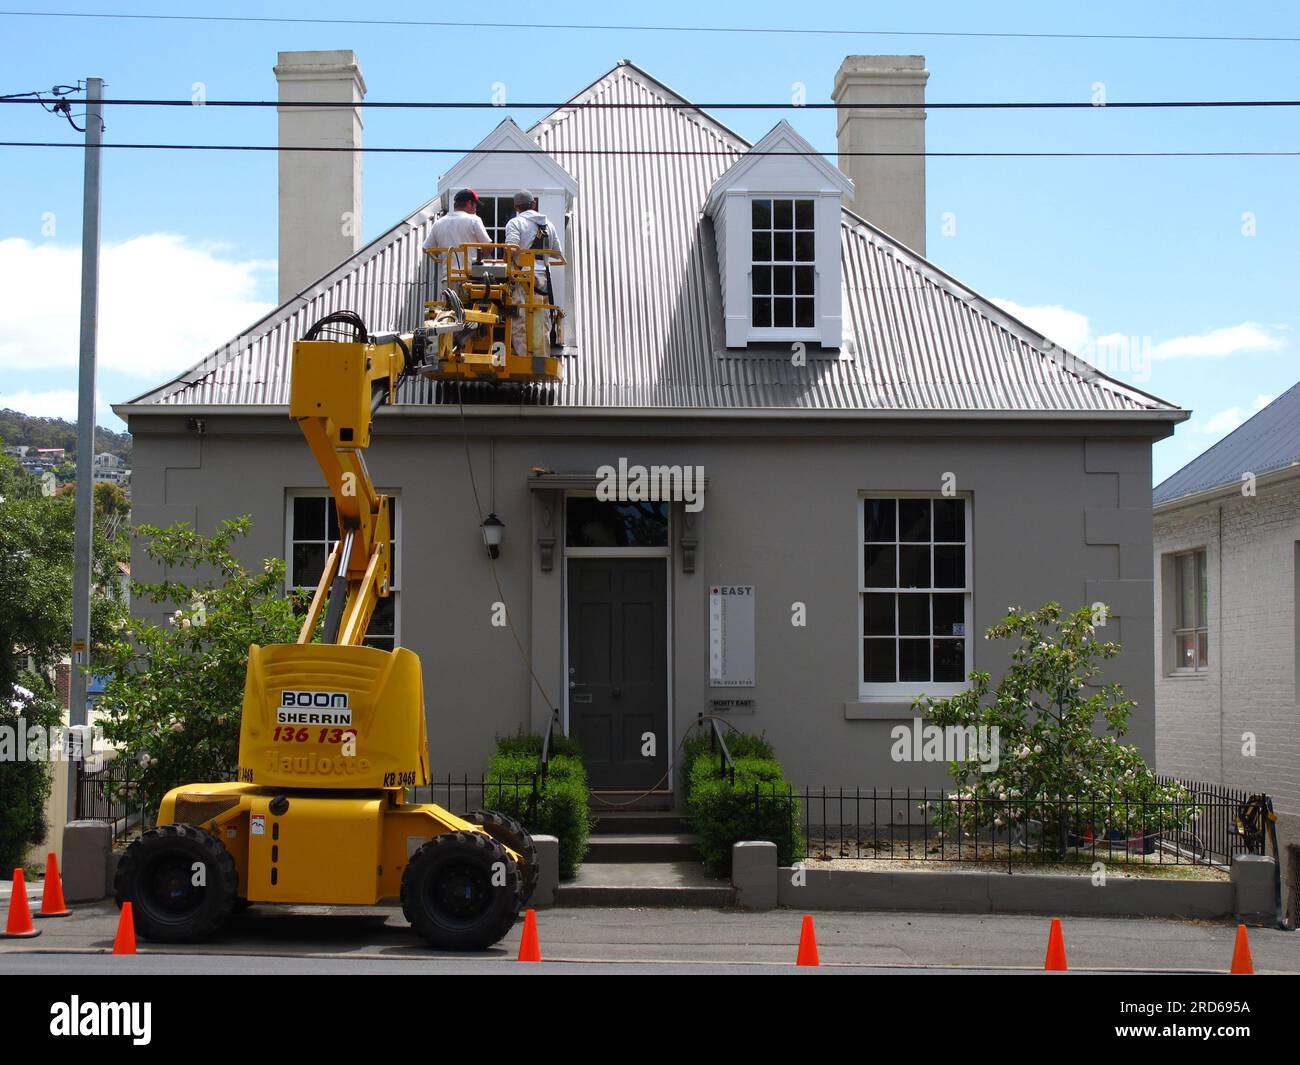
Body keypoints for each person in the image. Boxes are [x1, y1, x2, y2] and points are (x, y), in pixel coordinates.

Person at [503, 190, 559, 356]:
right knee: (542, 317)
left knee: (520, 317)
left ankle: (523, 356)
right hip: (543, 278)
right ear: (533, 203)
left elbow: (511, 248)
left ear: (516, 207)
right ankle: (541, 354)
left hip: (523, 276)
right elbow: (557, 252)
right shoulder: (549, 224)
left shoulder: (515, 223)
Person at [422, 188, 491, 279]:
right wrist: (483, 257)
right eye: (475, 206)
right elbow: (488, 247)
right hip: (470, 278)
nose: (475, 209)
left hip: (448, 278)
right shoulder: (474, 220)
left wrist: (442, 252)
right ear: (470, 203)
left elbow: (426, 248)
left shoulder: (439, 223)